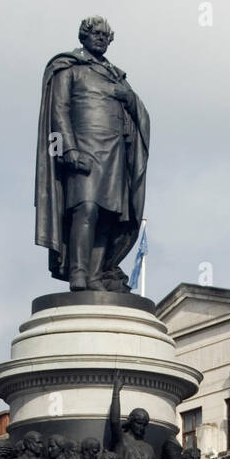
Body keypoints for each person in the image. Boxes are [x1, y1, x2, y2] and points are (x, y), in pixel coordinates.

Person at [35, 16, 149, 291]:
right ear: (83, 36)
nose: (100, 38)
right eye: (95, 33)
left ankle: (96, 275)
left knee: (110, 214)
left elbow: (140, 114)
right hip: (84, 147)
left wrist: (129, 98)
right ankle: (78, 272)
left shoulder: (117, 76)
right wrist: (69, 148)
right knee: (86, 208)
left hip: (115, 151)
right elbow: (58, 110)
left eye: (105, 35)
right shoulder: (68, 68)